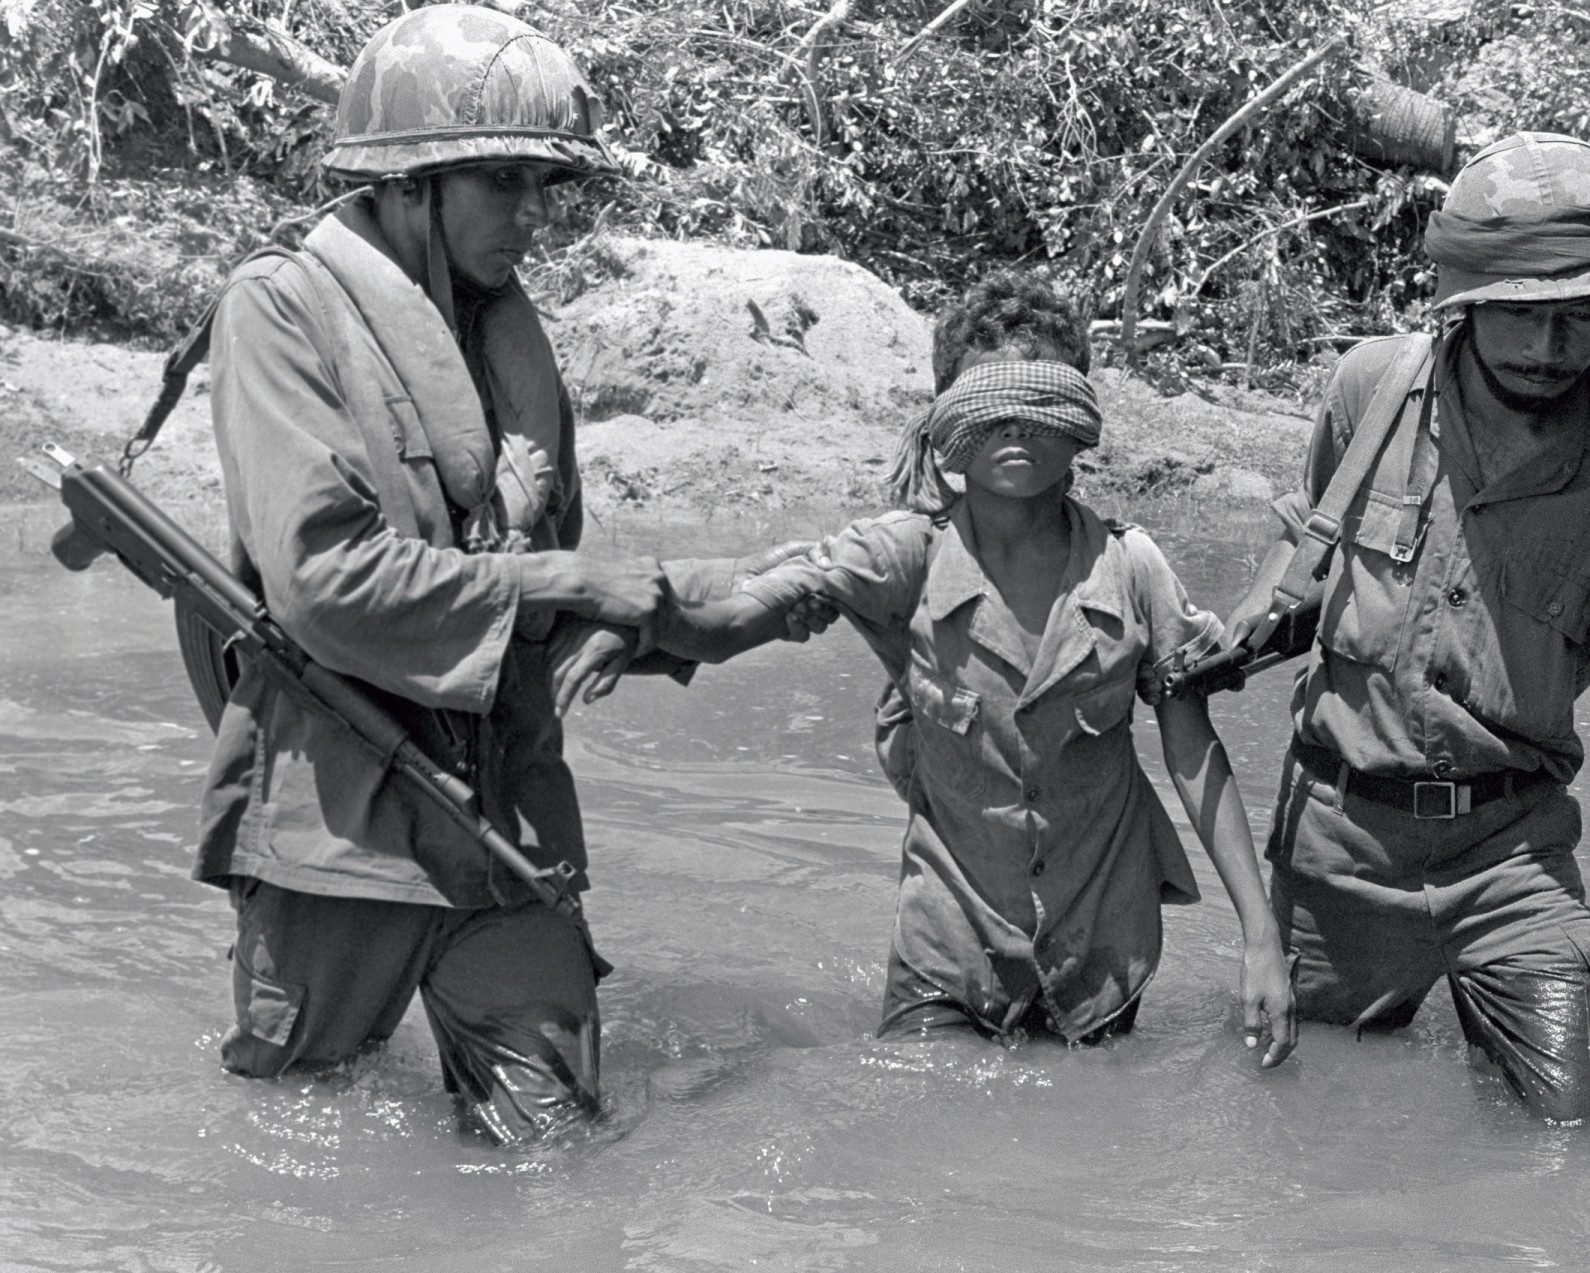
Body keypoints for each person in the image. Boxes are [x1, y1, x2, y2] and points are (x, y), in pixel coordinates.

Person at [193, 5, 819, 1143]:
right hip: (343, 831)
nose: (535, 216)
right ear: (406, 184)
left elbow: (563, 574)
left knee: (560, 1160)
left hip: (506, 819)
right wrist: (571, 587)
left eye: (548, 187)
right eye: (502, 182)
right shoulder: (280, 312)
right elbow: (323, 579)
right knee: (298, 1147)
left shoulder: (506, 342)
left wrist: (687, 615)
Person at [608, 274, 1294, 1056]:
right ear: (945, 420)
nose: (1013, 428)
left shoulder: (1130, 568)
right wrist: (618, 623)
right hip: (947, 947)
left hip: (1100, 951)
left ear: (1079, 419)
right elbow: (734, 621)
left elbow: (1192, 749)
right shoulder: (907, 556)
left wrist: (1259, 935)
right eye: (986, 405)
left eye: (1036, 403)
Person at [1224, 133, 1590, 1120]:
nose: (1552, 348)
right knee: (1306, 1120)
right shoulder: (1370, 389)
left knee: (1576, 1126)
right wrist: (1237, 631)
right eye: (1524, 317)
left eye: (1585, 317)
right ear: (1465, 300)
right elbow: (1314, 551)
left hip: (1513, 851)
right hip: (1338, 842)